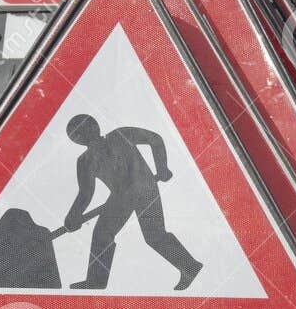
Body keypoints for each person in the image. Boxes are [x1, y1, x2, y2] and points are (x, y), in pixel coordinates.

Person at [61, 114, 201, 291]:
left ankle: (189, 266)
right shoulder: (84, 161)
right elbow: (86, 193)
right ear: (76, 140)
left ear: (96, 126)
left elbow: (155, 139)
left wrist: (162, 167)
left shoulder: (120, 135)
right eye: (79, 134)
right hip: (120, 197)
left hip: (144, 188)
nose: (86, 135)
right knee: (101, 235)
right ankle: (96, 281)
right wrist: (73, 215)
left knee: (154, 235)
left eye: (87, 129)